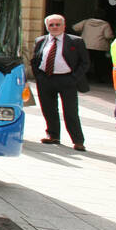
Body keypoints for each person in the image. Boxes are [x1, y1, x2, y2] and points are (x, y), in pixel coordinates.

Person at [30, 13, 89, 151]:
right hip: (46, 79)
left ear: (64, 26)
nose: (55, 27)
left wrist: (74, 78)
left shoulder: (76, 41)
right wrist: (38, 76)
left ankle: (78, 140)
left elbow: (85, 63)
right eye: (51, 25)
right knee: (48, 109)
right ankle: (53, 135)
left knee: (70, 111)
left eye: (58, 24)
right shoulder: (40, 40)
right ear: (47, 27)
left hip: (67, 80)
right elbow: (35, 60)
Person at [72, 15, 114, 82]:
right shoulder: (105, 24)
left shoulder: (86, 21)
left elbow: (75, 27)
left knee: (85, 61)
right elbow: (108, 36)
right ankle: (99, 78)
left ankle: (83, 76)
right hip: (100, 47)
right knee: (99, 63)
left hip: (86, 45)